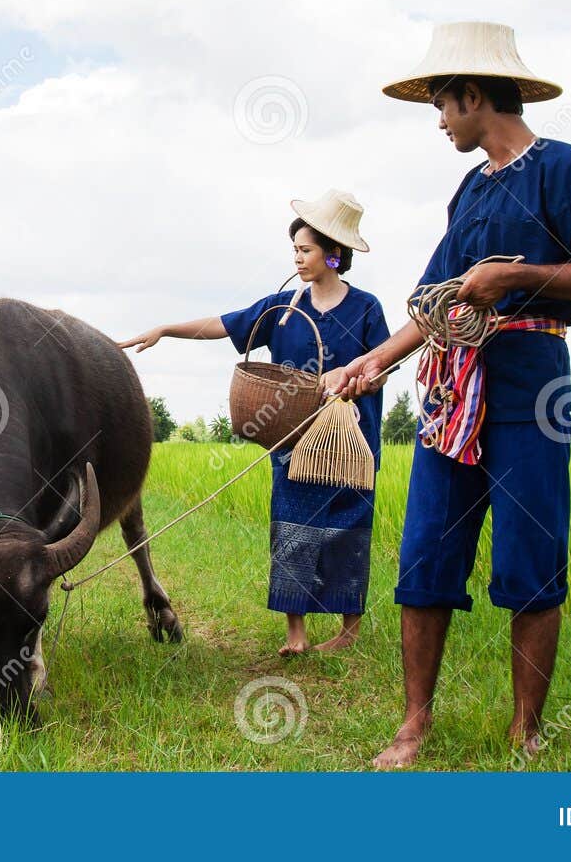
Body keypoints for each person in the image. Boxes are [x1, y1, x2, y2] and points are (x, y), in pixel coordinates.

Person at [328, 21, 571, 767]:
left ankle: (526, 727)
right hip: (453, 389)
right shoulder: (469, 189)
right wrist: (371, 362)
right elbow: (436, 303)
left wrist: (513, 276)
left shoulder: (564, 168)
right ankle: (413, 723)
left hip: (531, 383)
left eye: (441, 104)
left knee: (532, 553)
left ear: (471, 95)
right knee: (426, 548)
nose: (438, 121)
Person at [118, 189, 390, 656]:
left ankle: (348, 631)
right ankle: (296, 632)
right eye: (295, 250)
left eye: (306, 250)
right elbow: (224, 324)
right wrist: (166, 329)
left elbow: (383, 364)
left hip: (351, 443)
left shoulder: (366, 308)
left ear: (334, 254)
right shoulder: (282, 309)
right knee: (291, 530)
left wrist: (359, 379)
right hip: (294, 443)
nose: (298, 258)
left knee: (348, 532)